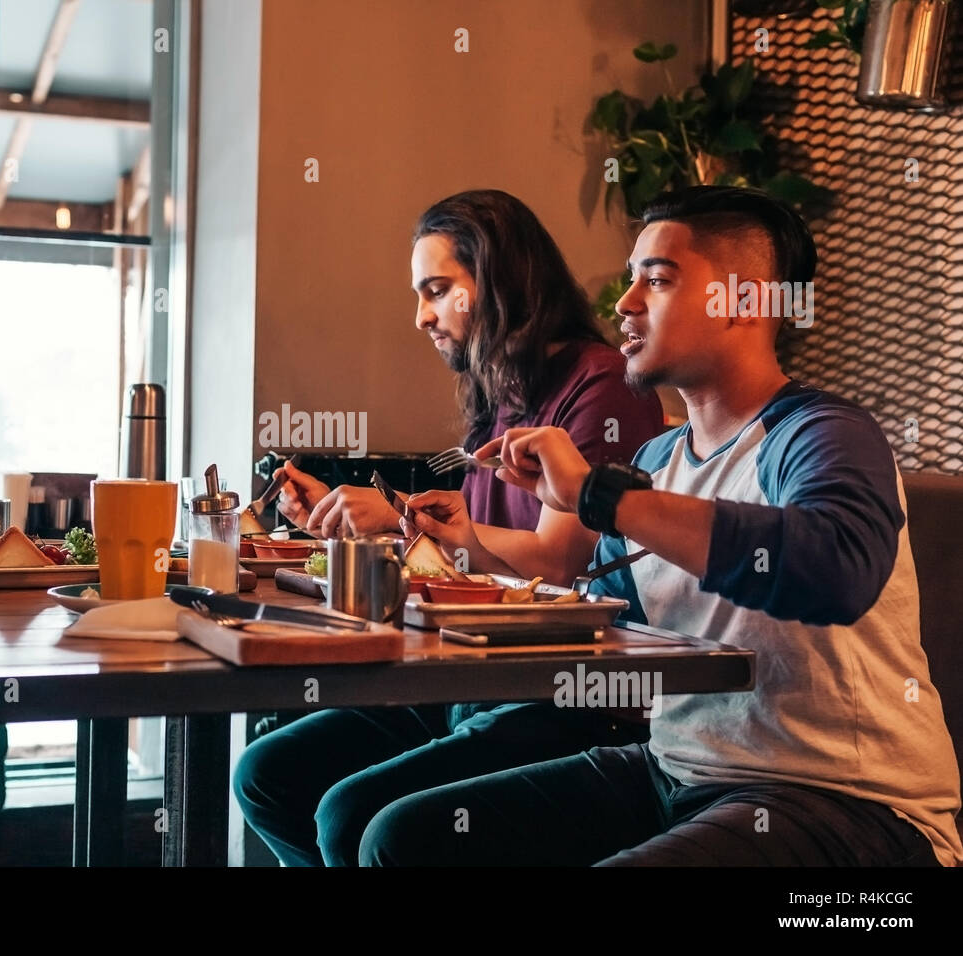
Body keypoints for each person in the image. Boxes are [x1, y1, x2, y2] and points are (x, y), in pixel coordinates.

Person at [357, 185, 962, 866]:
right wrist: (473, 549)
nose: (625, 301)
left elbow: (835, 571)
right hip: (680, 769)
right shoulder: (656, 460)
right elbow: (600, 614)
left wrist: (601, 496)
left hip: (844, 799)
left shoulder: (821, 433)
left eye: (658, 279)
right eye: (632, 276)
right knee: (403, 838)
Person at [234, 190, 664, 866]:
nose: (421, 316)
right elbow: (469, 563)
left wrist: (413, 526)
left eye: (437, 290)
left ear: (496, 282)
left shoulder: (599, 385)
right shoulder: (504, 398)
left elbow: (558, 564)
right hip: (478, 678)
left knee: (349, 816)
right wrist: (368, 528)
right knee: (266, 773)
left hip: (560, 697)